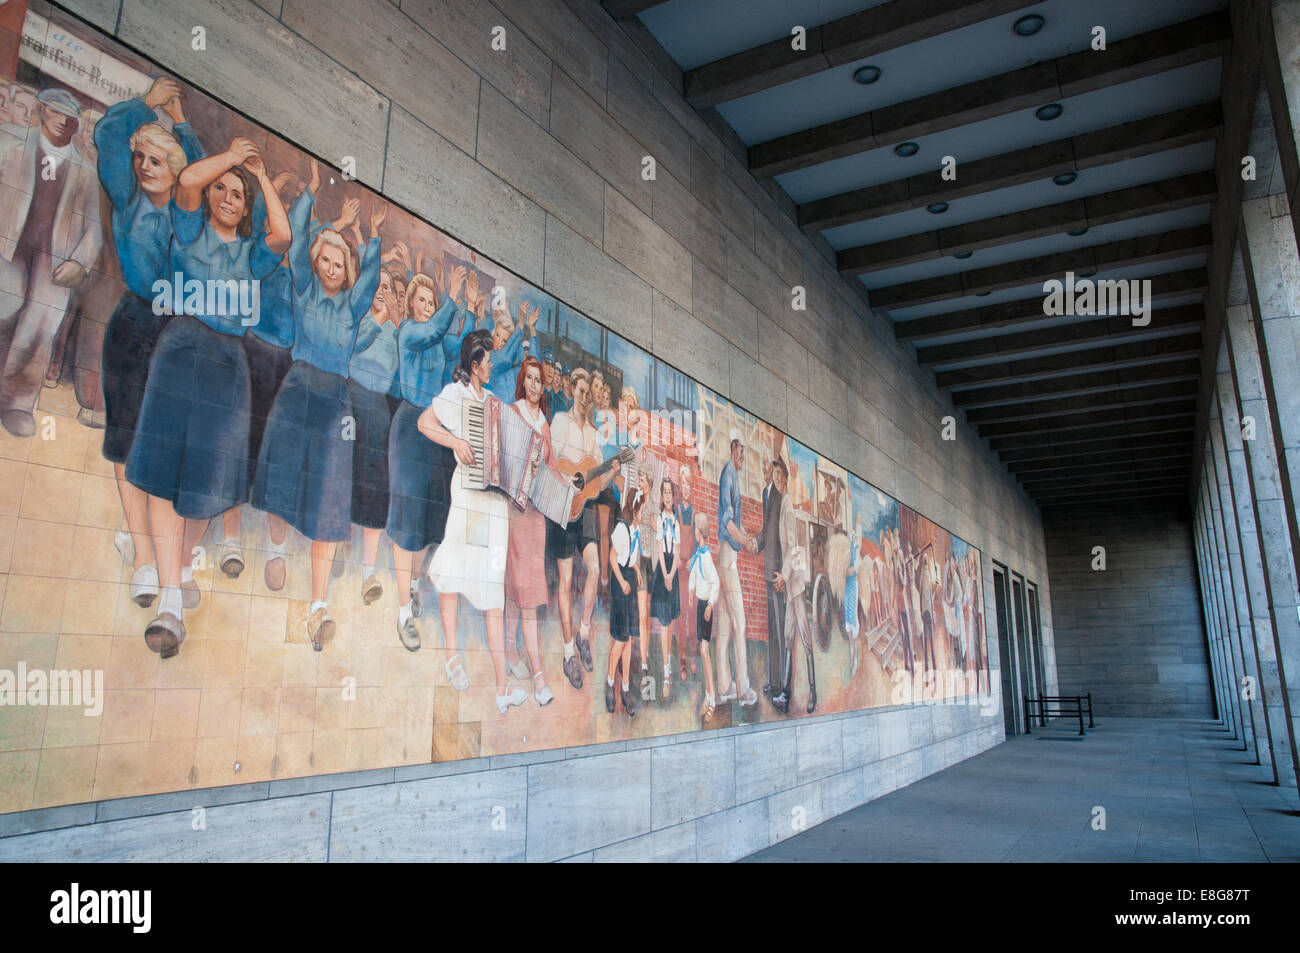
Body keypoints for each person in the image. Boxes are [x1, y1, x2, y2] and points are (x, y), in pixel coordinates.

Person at [125, 137, 291, 657]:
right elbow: (189, 181)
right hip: (180, 350)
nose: (226, 196)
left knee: (208, 482)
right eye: (222, 190)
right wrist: (230, 161)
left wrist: (258, 175)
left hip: (227, 366)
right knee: (161, 473)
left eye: (236, 195)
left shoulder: (252, 254)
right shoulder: (190, 227)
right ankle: (171, 602)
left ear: (245, 210)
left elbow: (283, 233)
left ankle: (177, 569)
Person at [250, 160, 385, 649]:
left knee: (329, 496)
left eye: (338, 262)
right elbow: (301, 231)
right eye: (325, 260)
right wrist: (309, 190)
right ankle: (275, 547)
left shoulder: (352, 304)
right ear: (316, 263)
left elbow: (369, 281)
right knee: (282, 473)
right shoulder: (303, 288)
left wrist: (368, 238)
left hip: (336, 403)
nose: (331, 267)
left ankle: (318, 603)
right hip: (298, 388)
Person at [92, 77, 203, 608]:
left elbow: (207, 170)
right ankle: (141, 556)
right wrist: (149, 103)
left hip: (177, 334)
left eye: (156, 161)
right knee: (124, 439)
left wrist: (180, 122)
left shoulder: (188, 214)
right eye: (142, 158)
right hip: (135, 323)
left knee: (158, 449)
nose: (144, 167)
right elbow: (109, 132)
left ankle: (148, 545)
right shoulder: (127, 196)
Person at [419, 329, 528, 714]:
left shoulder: (496, 403)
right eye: (488, 360)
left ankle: (502, 690)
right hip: (467, 496)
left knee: (492, 589)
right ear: (476, 363)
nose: (492, 365)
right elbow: (424, 424)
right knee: (452, 573)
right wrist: (457, 443)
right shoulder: (457, 396)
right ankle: (452, 656)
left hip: (494, 506)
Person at [0, 86, 103, 437]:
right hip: (7, 247)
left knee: (40, 329)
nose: (63, 122)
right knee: (2, 317)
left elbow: (95, 230)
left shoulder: (87, 173)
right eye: (56, 112)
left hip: (53, 262)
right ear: (42, 111)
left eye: (70, 118)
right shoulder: (12, 144)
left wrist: (80, 263)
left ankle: (17, 405)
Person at [385, 265, 461, 648]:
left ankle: (414, 586)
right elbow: (433, 331)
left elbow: (455, 343)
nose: (428, 306)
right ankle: (401, 612)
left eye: (433, 301)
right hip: (411, 426)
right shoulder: (409, 332)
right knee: (406, 520)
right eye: (423, 300)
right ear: (411, 304)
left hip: (435, 432)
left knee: (431, 518)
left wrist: (460, 305)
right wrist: (453, 295)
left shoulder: (435, 340)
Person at [547, 367, 618, 690]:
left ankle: (584, 632)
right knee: (564, 582)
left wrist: (611, 473)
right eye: (580, 390)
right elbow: (551, 461)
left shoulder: (594, 434)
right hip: (563, 508)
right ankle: (566, 654)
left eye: (589, 392)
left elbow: (597, 483)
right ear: (572, 390)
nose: (585, 396)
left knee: (594, 568)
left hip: (585, 509)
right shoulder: (560, 422)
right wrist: (568, 482)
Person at [347, 263, 403, 607]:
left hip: (379, 408)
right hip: (351, 398)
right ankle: (340, 547)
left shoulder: (397, 333)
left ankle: (368, 570)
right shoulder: (357, 318)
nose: (382, 291)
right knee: (345, 476)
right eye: (377, 285)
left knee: (375, 487)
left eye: (389, 288)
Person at [502, 355, 556, 707]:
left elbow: (550, 468)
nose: (535, 385)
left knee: (516, 585)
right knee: (528, 589)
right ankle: (538, 676)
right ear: (524, 380)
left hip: (538, 516)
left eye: (540, 380)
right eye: (531, 379)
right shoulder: (515, 411)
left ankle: (509, 647)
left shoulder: (545, 423)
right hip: (516, 509)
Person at [715, 429, 759, 707]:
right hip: (728, 557)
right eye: (742, 451)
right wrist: (745, 540)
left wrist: (747, 538)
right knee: (739, 623)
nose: (744, 457)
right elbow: (728, 523)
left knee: (723, 626)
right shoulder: (729, 474)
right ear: (734, 449)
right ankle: (742, 689)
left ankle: (723, 686)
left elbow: (734, 523)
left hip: (725, 554)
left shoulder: (730, 474)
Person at [771, 459, 815, 714]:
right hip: (789, 585)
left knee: (805, 637)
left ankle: (813, 693)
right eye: (774, 474)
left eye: (779, 474)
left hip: (795, 583)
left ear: (785, 478)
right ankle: (785, 695)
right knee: (788, 637)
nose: (776, 478)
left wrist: (784, 576)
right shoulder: (782, 502)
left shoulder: (787, 504)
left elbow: (792, 544)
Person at [606, 484, 643, 717]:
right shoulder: (621, 528)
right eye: (641, 511)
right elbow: (613, 557)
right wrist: (622, 582)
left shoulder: (636, 530)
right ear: (634, 510)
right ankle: (610, 683)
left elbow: (630, 556)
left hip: (629, 575)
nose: (643, 515)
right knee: (620, 640)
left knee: (629, 640)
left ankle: (626, 687)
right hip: (620, 581)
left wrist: (637, 570)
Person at [752, 449, 784, 701]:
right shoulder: (765, 495)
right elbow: (767, 531)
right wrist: (755, 543)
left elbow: (782, 536)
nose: (762, 469)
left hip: (777, 573)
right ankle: (774, 683)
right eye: (762, 466)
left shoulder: (779, 498)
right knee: (772, 629)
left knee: (780, 631)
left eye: (765, 466)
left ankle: (781, 688)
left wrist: (783, 572)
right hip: (768, 570)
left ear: (772, 470)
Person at [650, 476, 681, 697]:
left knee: (670, 624)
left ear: (674, 497)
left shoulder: (676, 522)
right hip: (662, 572)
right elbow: (661, 550)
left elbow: (677, 551)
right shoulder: (660, 519)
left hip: (673, 570)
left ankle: (669, 670)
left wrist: (673, 574)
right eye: (665, 493)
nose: (668, 496)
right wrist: (665, 575)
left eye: (671, 493)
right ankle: (665, 673)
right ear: (662, 497)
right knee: (663, 623)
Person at [688, 511, 719, 722]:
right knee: (702, 649)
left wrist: (709, 604)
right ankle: (708, 696)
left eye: (695, 530)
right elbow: (693, 574)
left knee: (705, 651)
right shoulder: (698, 554)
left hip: (705, 607)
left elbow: (715, 582)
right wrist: (691, 591)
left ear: (699, 532)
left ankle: (712, 698)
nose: (694, 533)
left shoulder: (706, 557)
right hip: (699, 606)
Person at [675, 464, 696, 681]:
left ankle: (692, 656)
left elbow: (698, 543)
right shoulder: (677, 511)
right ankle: (681, 661)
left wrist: (692, 558)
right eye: (683, 484)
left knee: (693, 614)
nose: (686, 488)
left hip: (692, 571)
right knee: (680, 617)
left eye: (689, 484)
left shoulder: (695, 513)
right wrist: (681, 558)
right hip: (680, 570)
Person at [845, 517, 864, 677]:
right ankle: (851, 652)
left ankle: (855, 657)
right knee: (846, 616)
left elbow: (853, 569)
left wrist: (849, 569)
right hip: (845, 585)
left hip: (852, 585)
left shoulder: (857, 550)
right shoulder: (848, 545)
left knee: (852, 615)